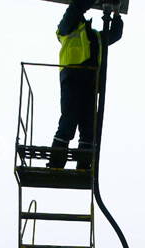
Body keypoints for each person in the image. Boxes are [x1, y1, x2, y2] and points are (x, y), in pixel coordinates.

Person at [46, 0, 124, 171]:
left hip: (90, 83)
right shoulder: (66, 28)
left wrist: (116, 13)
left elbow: (115, 34)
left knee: (88, 127)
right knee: (68, 122)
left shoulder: (96, 37)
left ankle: (83, 165)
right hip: (73, 78)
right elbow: (76, 7)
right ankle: (56, 164)